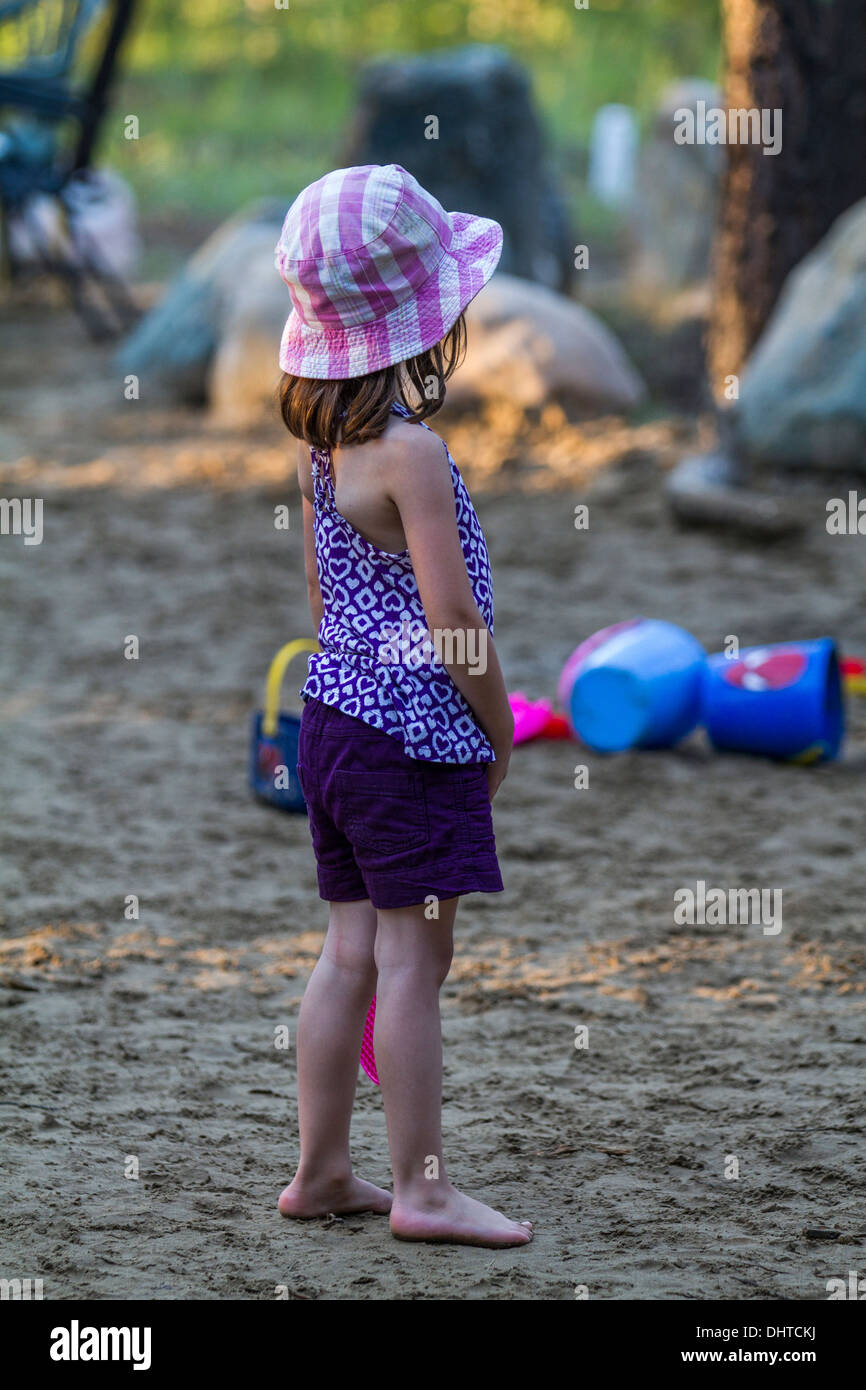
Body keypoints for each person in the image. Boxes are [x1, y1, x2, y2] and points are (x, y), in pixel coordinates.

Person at [274, 164, 531, 1247]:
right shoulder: (412, 453)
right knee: (415, 963)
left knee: (348, 954)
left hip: (330, 718)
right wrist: (497, 719)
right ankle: (420, 1189)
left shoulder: (321, 446)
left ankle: (321, 1170)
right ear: (426, 317)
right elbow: (451, 615)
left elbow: (323, 593)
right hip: (411, 740)